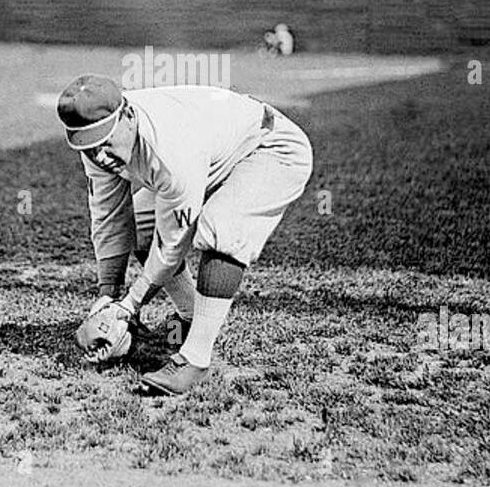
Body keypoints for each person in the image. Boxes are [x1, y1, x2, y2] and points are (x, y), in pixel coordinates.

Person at [57, 74, 313, 395]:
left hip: (269, 148)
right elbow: (109, 216)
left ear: (128, 115)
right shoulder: (97, 147)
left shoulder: (169, 144)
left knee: (220, 229)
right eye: (90, 147)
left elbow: (173, 243)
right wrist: (108, 294)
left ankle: (195, 358)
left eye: (105, 142)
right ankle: (191, 318)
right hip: (213, 157)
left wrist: (127, 307)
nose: (100, 156)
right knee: (143, 225)